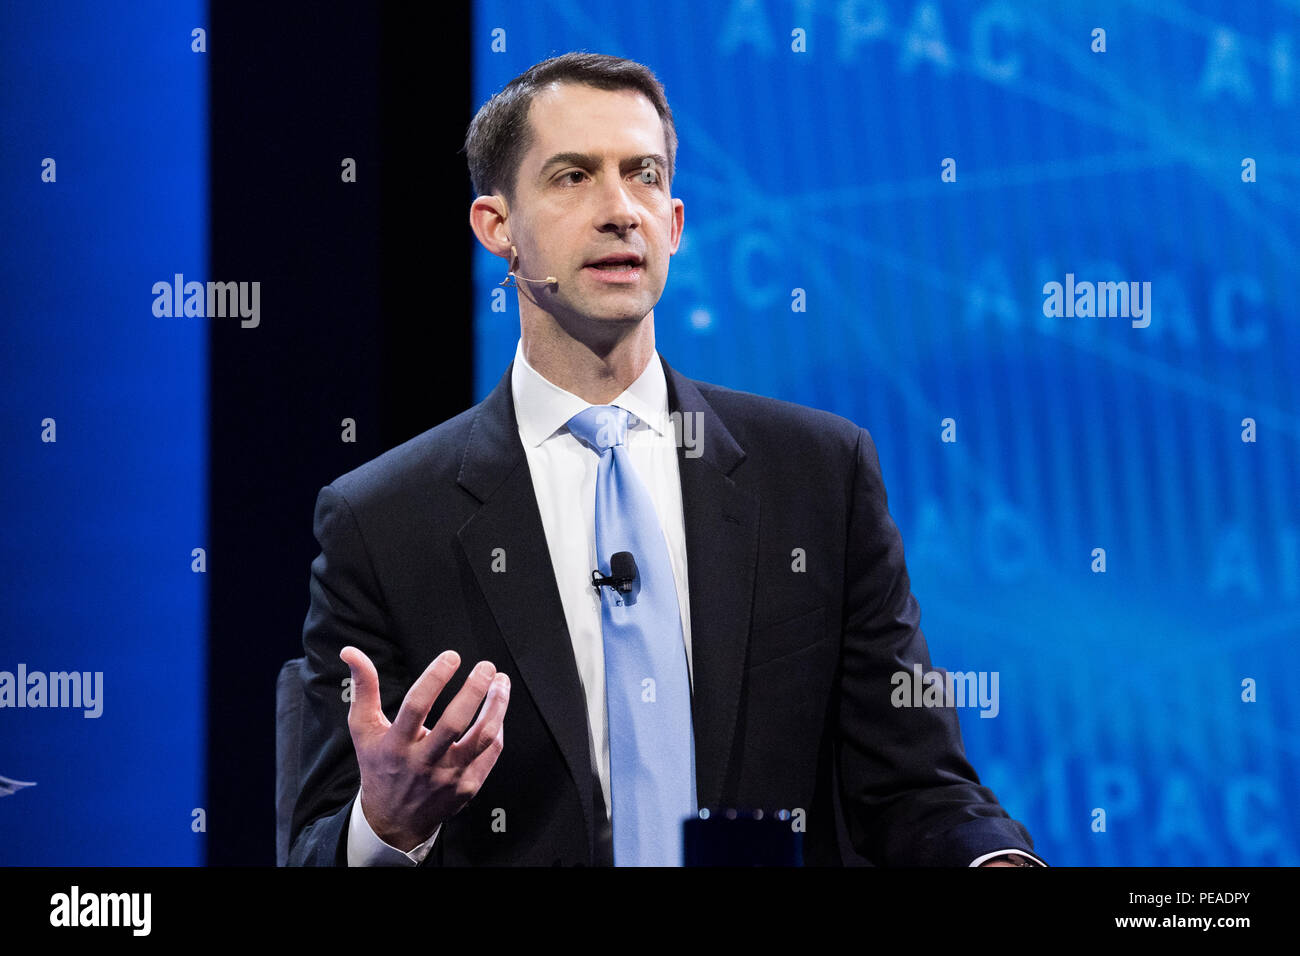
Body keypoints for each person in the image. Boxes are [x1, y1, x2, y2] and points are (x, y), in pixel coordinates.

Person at [288, 52, 1043, 867]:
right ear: (496, 227)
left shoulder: (820, 475)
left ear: (676, 224)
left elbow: (917, 784)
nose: (620, 211)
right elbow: (316, 848)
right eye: (574, 177)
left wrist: (993, 863)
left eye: (643, 176)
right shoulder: (385, 521)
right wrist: (391, 824)